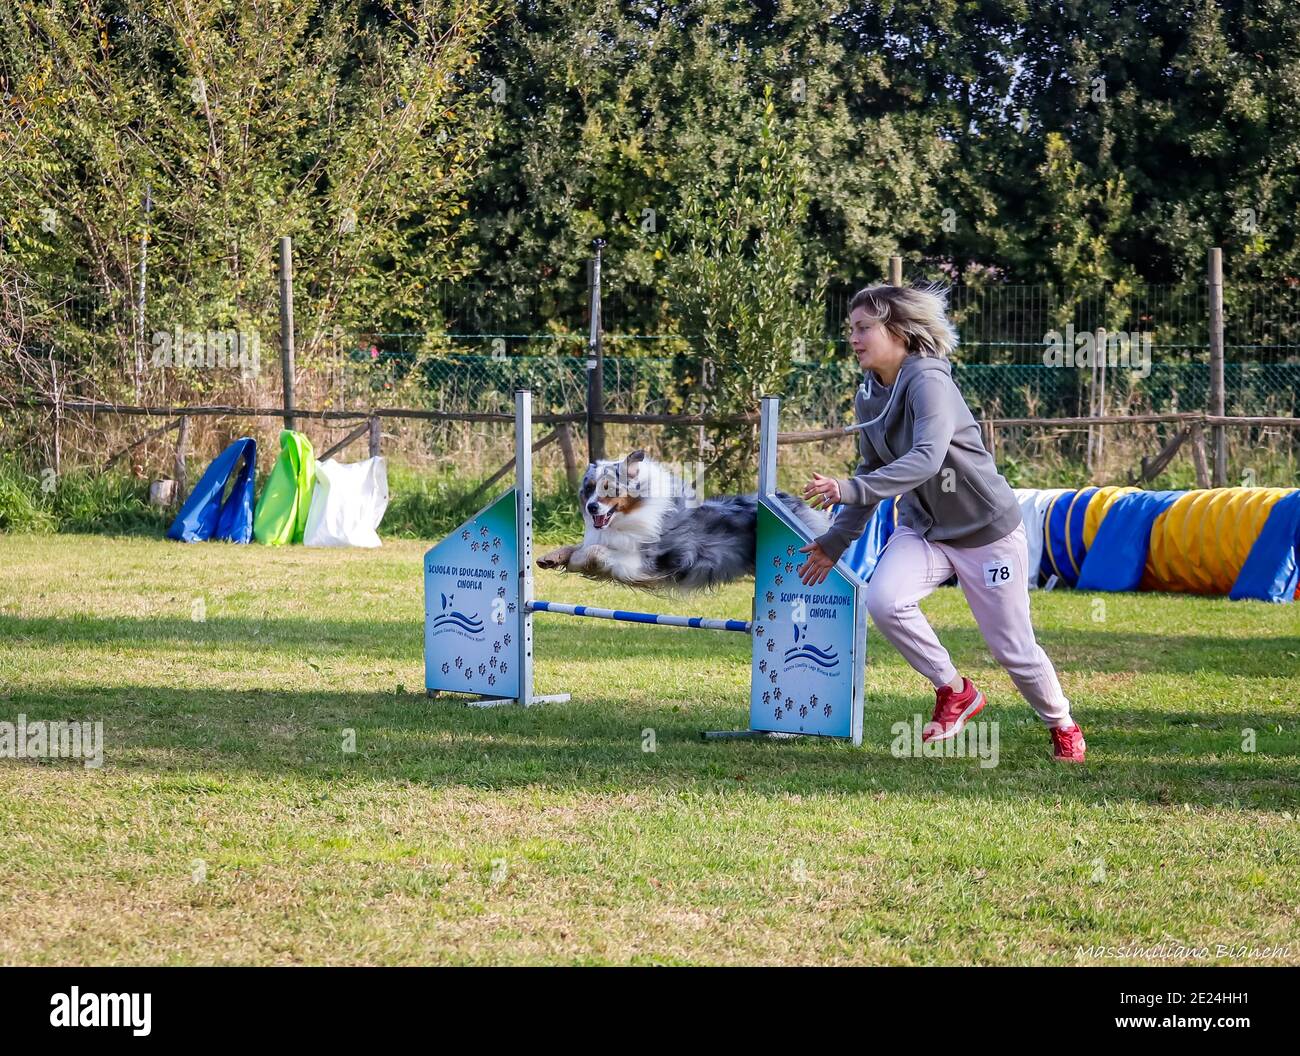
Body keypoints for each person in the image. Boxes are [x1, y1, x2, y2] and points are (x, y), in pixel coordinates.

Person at [797, 283, 1086, 763]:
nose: (854, 337)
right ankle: (955, 690)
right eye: (851, 328)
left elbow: (926, 459)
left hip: (985, 532)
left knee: (1012, 649)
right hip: (925, 529)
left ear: (900, 331)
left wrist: (847, 488)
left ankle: (1062, 723)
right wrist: (835, 540)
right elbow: (872, 470)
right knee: (885, 600)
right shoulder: (868, 395)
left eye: (864, 327)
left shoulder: (930, 381)